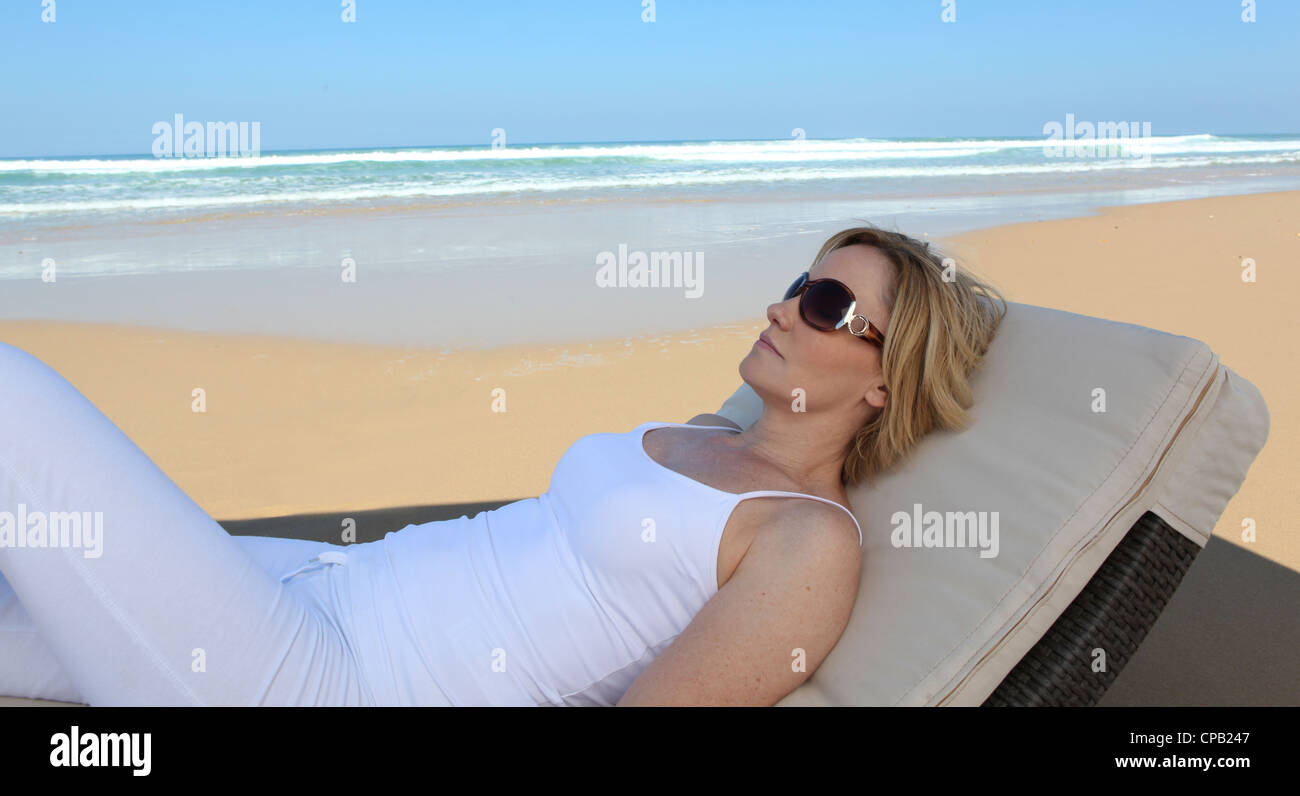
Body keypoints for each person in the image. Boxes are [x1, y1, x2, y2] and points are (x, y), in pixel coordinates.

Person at [0, 225, 1006, 706]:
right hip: (317, 587)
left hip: (337, 682)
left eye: (828, 305)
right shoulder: (708, 432)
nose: (785, 306)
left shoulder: (805, 537)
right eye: (798, 283)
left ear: (886, 377)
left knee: (16, 402)